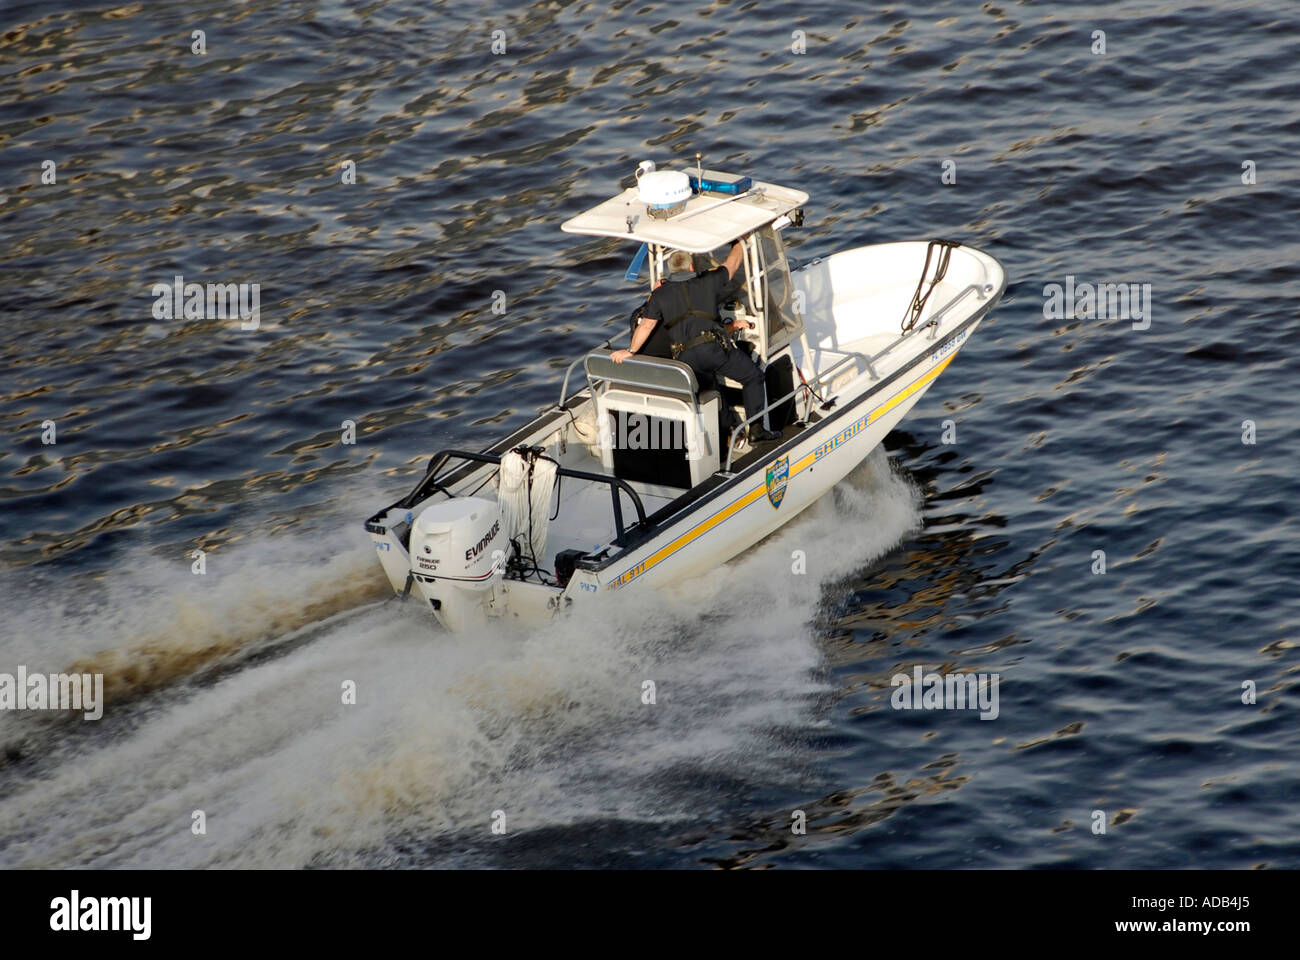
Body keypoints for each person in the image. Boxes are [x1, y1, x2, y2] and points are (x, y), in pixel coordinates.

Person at [610, 242, 781, 443]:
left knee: (709, 385)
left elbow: (646, 325)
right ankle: (756, 430)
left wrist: (630, 351)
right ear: (692, 267)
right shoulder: (709, 281)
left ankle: (727, 432)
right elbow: (732, 265)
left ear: (670, 270)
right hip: (714, 351)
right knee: (752, 376)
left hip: (685, 360)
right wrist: (741, 244)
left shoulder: (659, 295)